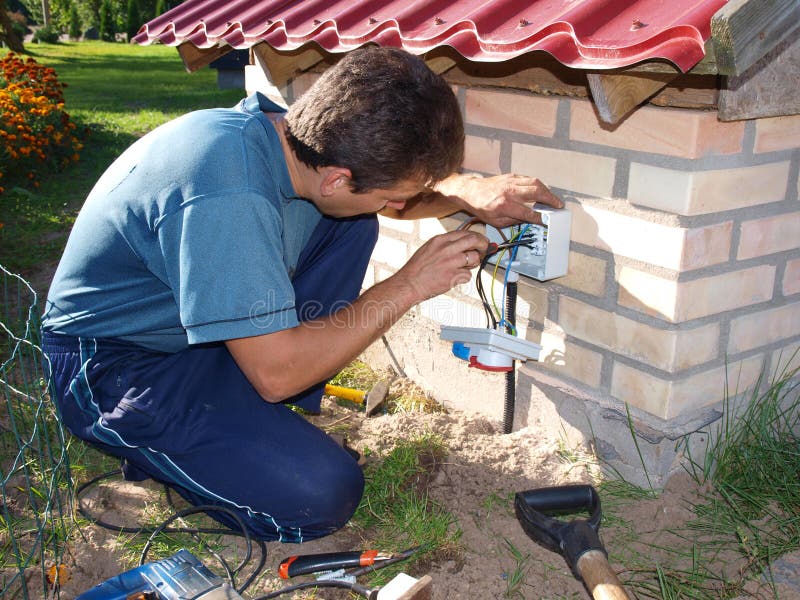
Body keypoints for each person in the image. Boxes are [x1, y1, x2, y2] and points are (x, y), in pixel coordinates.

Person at [42, 47, 562, 543]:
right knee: (321, 492)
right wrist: (405, 286)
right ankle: (160, 439)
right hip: (113, 365)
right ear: (337, 178)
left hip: (187, 335)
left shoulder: (286, 136)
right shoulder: (227, 198)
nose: (404, 205)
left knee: (351, 225)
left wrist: (466, 188)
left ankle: (244, 410)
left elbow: (377, 197)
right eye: (393, 196)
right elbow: (276, 376)